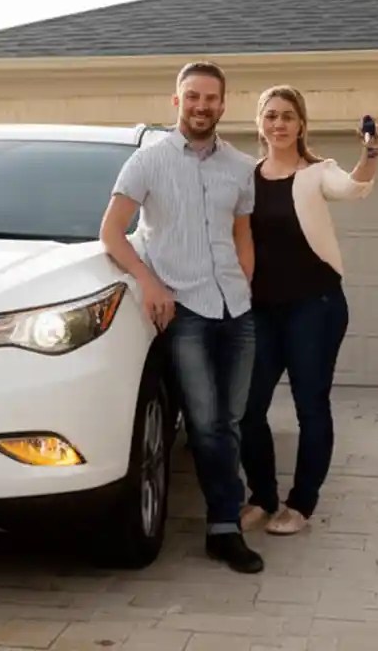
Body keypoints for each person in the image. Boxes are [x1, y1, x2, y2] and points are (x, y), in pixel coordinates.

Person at [100, 61, 263, 574]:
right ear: (177, 102)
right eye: (192, 97)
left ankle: (223, 520)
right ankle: (224, 530)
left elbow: (242, 234)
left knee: (231, 422)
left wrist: (246, 283)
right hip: (185, 308)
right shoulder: (147, 163)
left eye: (211, 98)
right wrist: (150, 283)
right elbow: (112, 233)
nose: (201, 106)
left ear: (223, 104)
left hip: (236, 309)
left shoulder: (240, 166)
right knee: (206, 424)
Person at [239, 85, 378, 536]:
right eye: (271, 116)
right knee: (247, 408)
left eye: (287, 116)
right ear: (259, 124)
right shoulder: (246, 176)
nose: (278, 124)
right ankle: (262, 497)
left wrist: (370, 154)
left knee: (310, 406)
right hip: (261, 310)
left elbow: (354, 186)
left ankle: (300, 504)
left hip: (314, 308)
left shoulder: (318, 172)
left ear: (301, 124)